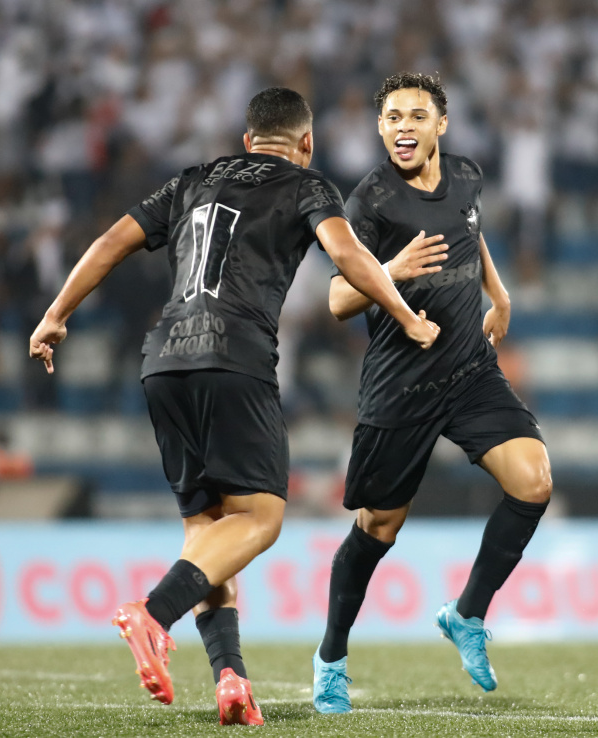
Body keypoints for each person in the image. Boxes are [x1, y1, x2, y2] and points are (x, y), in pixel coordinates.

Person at [28, 87, 439, 726]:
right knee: (262, 519)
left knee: (209, 530)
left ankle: (230, 680)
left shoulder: (192, 180)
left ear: (248, 140)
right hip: (235, 357)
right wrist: (404, 312)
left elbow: (110, 240)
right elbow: (349, 256)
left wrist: (56, 315)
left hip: (163, 360)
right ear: (305, 144)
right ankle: (152, 613)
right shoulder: (309, 187)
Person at [312, 73, 553, 714]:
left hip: (470, 371)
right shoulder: (369, 202)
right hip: (401, 384)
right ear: (381, 128)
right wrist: (388, 272)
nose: (403, 127)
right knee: (379, 529)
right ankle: (331, 656)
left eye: (417, 116)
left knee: (533, 480)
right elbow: (336, 299)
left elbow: (471, 234)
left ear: (440, 125)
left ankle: (466, 616)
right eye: (392, 118)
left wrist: (498, 294)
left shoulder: (469, 177)